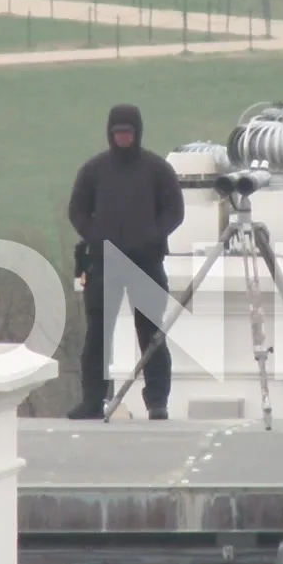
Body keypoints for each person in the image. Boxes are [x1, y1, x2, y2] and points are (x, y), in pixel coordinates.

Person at [66, 103, 185, 421]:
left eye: (128, 133)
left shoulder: (157, 170)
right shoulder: (94, 171)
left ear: (138, 133)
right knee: (97, 335)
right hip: (103, 264)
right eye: (117, 133)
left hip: (146, 263)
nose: (123, 138)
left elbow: (175, 210)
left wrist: (152, 235)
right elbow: (77, 211)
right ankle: (93, 401)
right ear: (109, 133)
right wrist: (96, 238)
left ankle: (157, 402)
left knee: (151, 334)